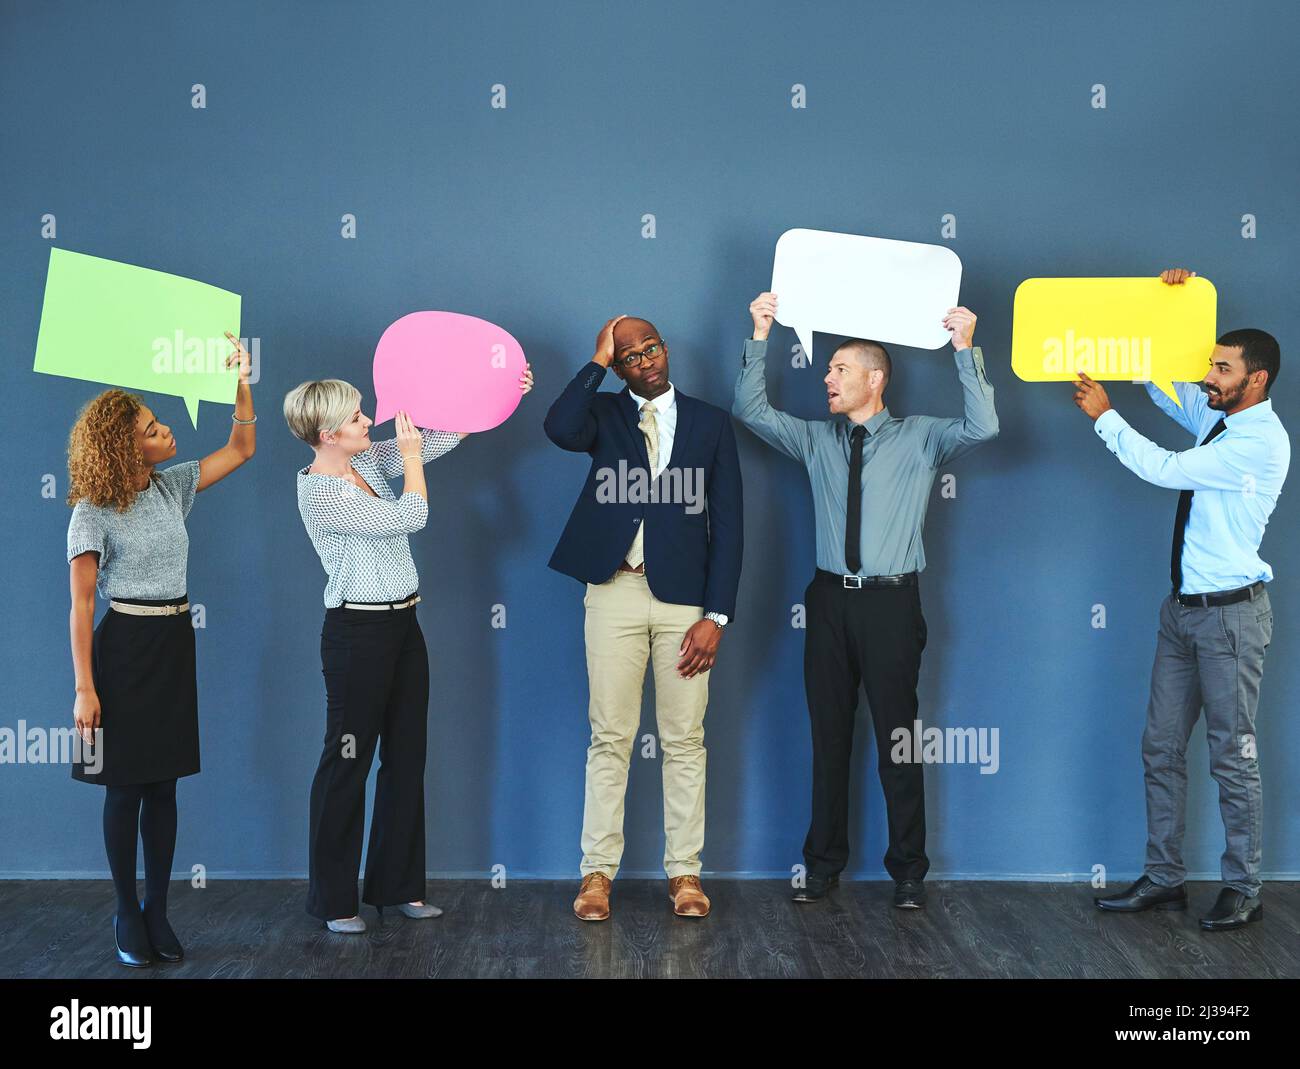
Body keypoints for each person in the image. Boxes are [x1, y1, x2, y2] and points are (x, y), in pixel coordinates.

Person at [733, 293, 998, 910]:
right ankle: (821, 865)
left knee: (897, 741)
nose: (826, 379)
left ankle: (908, 872)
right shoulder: (813, 440)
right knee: (828, 738)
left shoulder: (922, 438)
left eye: (839, 371)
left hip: (890, 607)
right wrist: (760, 333)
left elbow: (984, 426)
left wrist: (965, 349)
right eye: (828, 372)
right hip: (827, 602)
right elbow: (748, 408)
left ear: (875, 380)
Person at [286, 365, 532, 933]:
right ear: (327, 434)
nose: (367, 419)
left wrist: (493, 393)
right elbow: (410, 515)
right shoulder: (320, 493)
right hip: (356, 635)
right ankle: (334, 900)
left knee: (406, 755)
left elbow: (445, 438)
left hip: (402, 628)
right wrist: (414, 459)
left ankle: (398, 887)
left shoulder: (365, 462)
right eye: (354, 417)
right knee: (346, 762)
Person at [1084, 268, 1289, 931]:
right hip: (1183, 612)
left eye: (1221, 367)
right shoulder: (1221, 419)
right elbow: (1172, 393)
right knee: (1161, 747)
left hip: (1231, 618)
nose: (1209, 374)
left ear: (1254, 379)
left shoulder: (1257, 441)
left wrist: (1104, 418)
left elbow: (1164, 469)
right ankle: (1166, 879)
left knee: (1233, 755)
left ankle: (1244, 886)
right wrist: (1168, 302)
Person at [67, 332, 257, 967]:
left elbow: (241, 447)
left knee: (165, 788)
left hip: (174, 643)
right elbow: (83, 606)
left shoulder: (172, 486)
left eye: (159, 422)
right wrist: (85, 688)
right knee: (124, 788)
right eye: (152, 429)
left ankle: (158, 911)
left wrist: (239, 380)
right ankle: (126, 911)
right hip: (122, 650)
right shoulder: (93, 509)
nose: (167, 430)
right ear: (126, 447)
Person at [545, 315, 742, 921]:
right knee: (611, 736)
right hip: (613, 592)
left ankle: (686, 873)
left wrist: (718, 616)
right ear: (618, 364)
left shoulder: (710, 422)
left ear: (666, 348)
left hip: (686, 602)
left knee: (685, 739)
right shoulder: (603, 415)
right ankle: (596, 875)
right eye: (629, 356)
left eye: (650, 348)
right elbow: (558, 427)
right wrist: (596, 362)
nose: (644, 361)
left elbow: (730, 524)